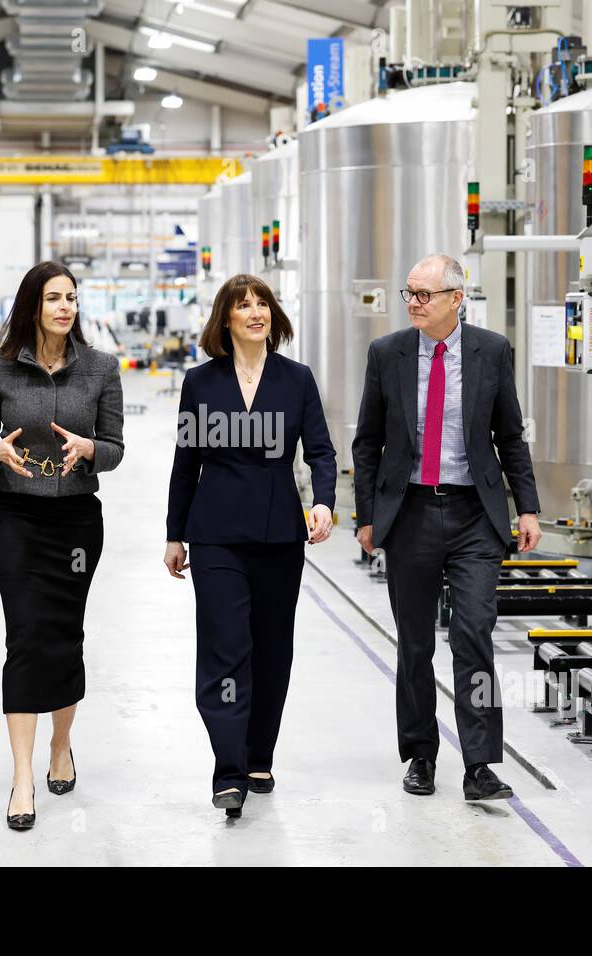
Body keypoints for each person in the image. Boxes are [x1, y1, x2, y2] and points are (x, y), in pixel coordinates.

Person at [352, 253, 541, 802]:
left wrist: (526, 507)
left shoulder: (491, 351)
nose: (413, 302)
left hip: (474, 516)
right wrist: (367, 516)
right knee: (414, 644)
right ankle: (420, 755)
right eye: (409, 292)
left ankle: (480, 764)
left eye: (424, 294)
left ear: (456, 299)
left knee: (473, 636)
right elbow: (367, 442)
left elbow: (510, 436)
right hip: (409, 513)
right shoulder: (387, 353)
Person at [164, 273, 337, 818]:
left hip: (278, 533)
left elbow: (322, 452)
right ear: (227, 319)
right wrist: (175, 532)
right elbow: (185, 463)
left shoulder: (297, 379)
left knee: (270, 648)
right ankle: (228, 768)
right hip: (214, 534)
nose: (256, 312)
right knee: (223, 650)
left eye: (263, 303)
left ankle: (260, 754)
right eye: (244, 306)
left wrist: (325, 503)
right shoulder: (201, 383)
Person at [0, 261, 124, 831]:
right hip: (13, 518)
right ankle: (21, 778)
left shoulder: (102, 369)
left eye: (72, 298)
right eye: (54, 297)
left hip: (77, 522)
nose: (65, 307)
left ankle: (62, 745)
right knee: (26, 635)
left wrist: (89, 449)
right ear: (33, 304)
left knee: (65, 634)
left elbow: (116, 447)